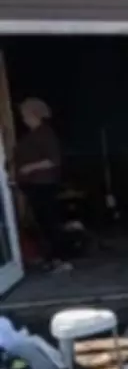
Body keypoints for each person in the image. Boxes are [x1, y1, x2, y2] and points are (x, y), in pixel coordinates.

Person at [12, 98, 71, 272]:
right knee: (42, 223)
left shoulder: (45, 134)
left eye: (25, 114)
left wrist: (29, 168)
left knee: (50, 222)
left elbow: (53, 160)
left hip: (43, 184)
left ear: (34, 115)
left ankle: (60, 258)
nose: (23, 118)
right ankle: (51, 257)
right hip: (32, 185)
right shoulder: (31, 135)